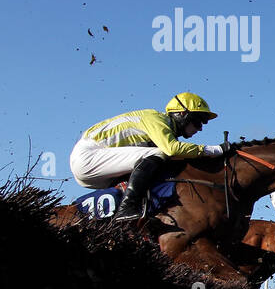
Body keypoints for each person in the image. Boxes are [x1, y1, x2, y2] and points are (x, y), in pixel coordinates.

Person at [70, 92, 223, 221]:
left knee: (161, 163)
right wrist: (214, 150)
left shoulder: (163, 127)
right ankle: (127, 208)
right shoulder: (156, 119)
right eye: (198, 121)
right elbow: (172, 149)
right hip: (88, 157)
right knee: (160, 153)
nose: (200, 128)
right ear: (182, 114)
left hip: (97, 166)